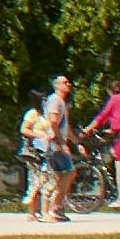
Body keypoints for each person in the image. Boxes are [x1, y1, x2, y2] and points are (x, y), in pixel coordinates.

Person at [36, 75, 78, 223]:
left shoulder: (62, 102)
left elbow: (66, 127)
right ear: (57, 85)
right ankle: (52, 209)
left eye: (68, 82)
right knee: (67, 174)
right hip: (54, 145)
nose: (68, 84)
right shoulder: (55, 100)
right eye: (65, 82)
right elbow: (53, 123)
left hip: (57, 144)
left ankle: (54, 209)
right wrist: (61, 143)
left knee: (60, 176)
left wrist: (77, 143)